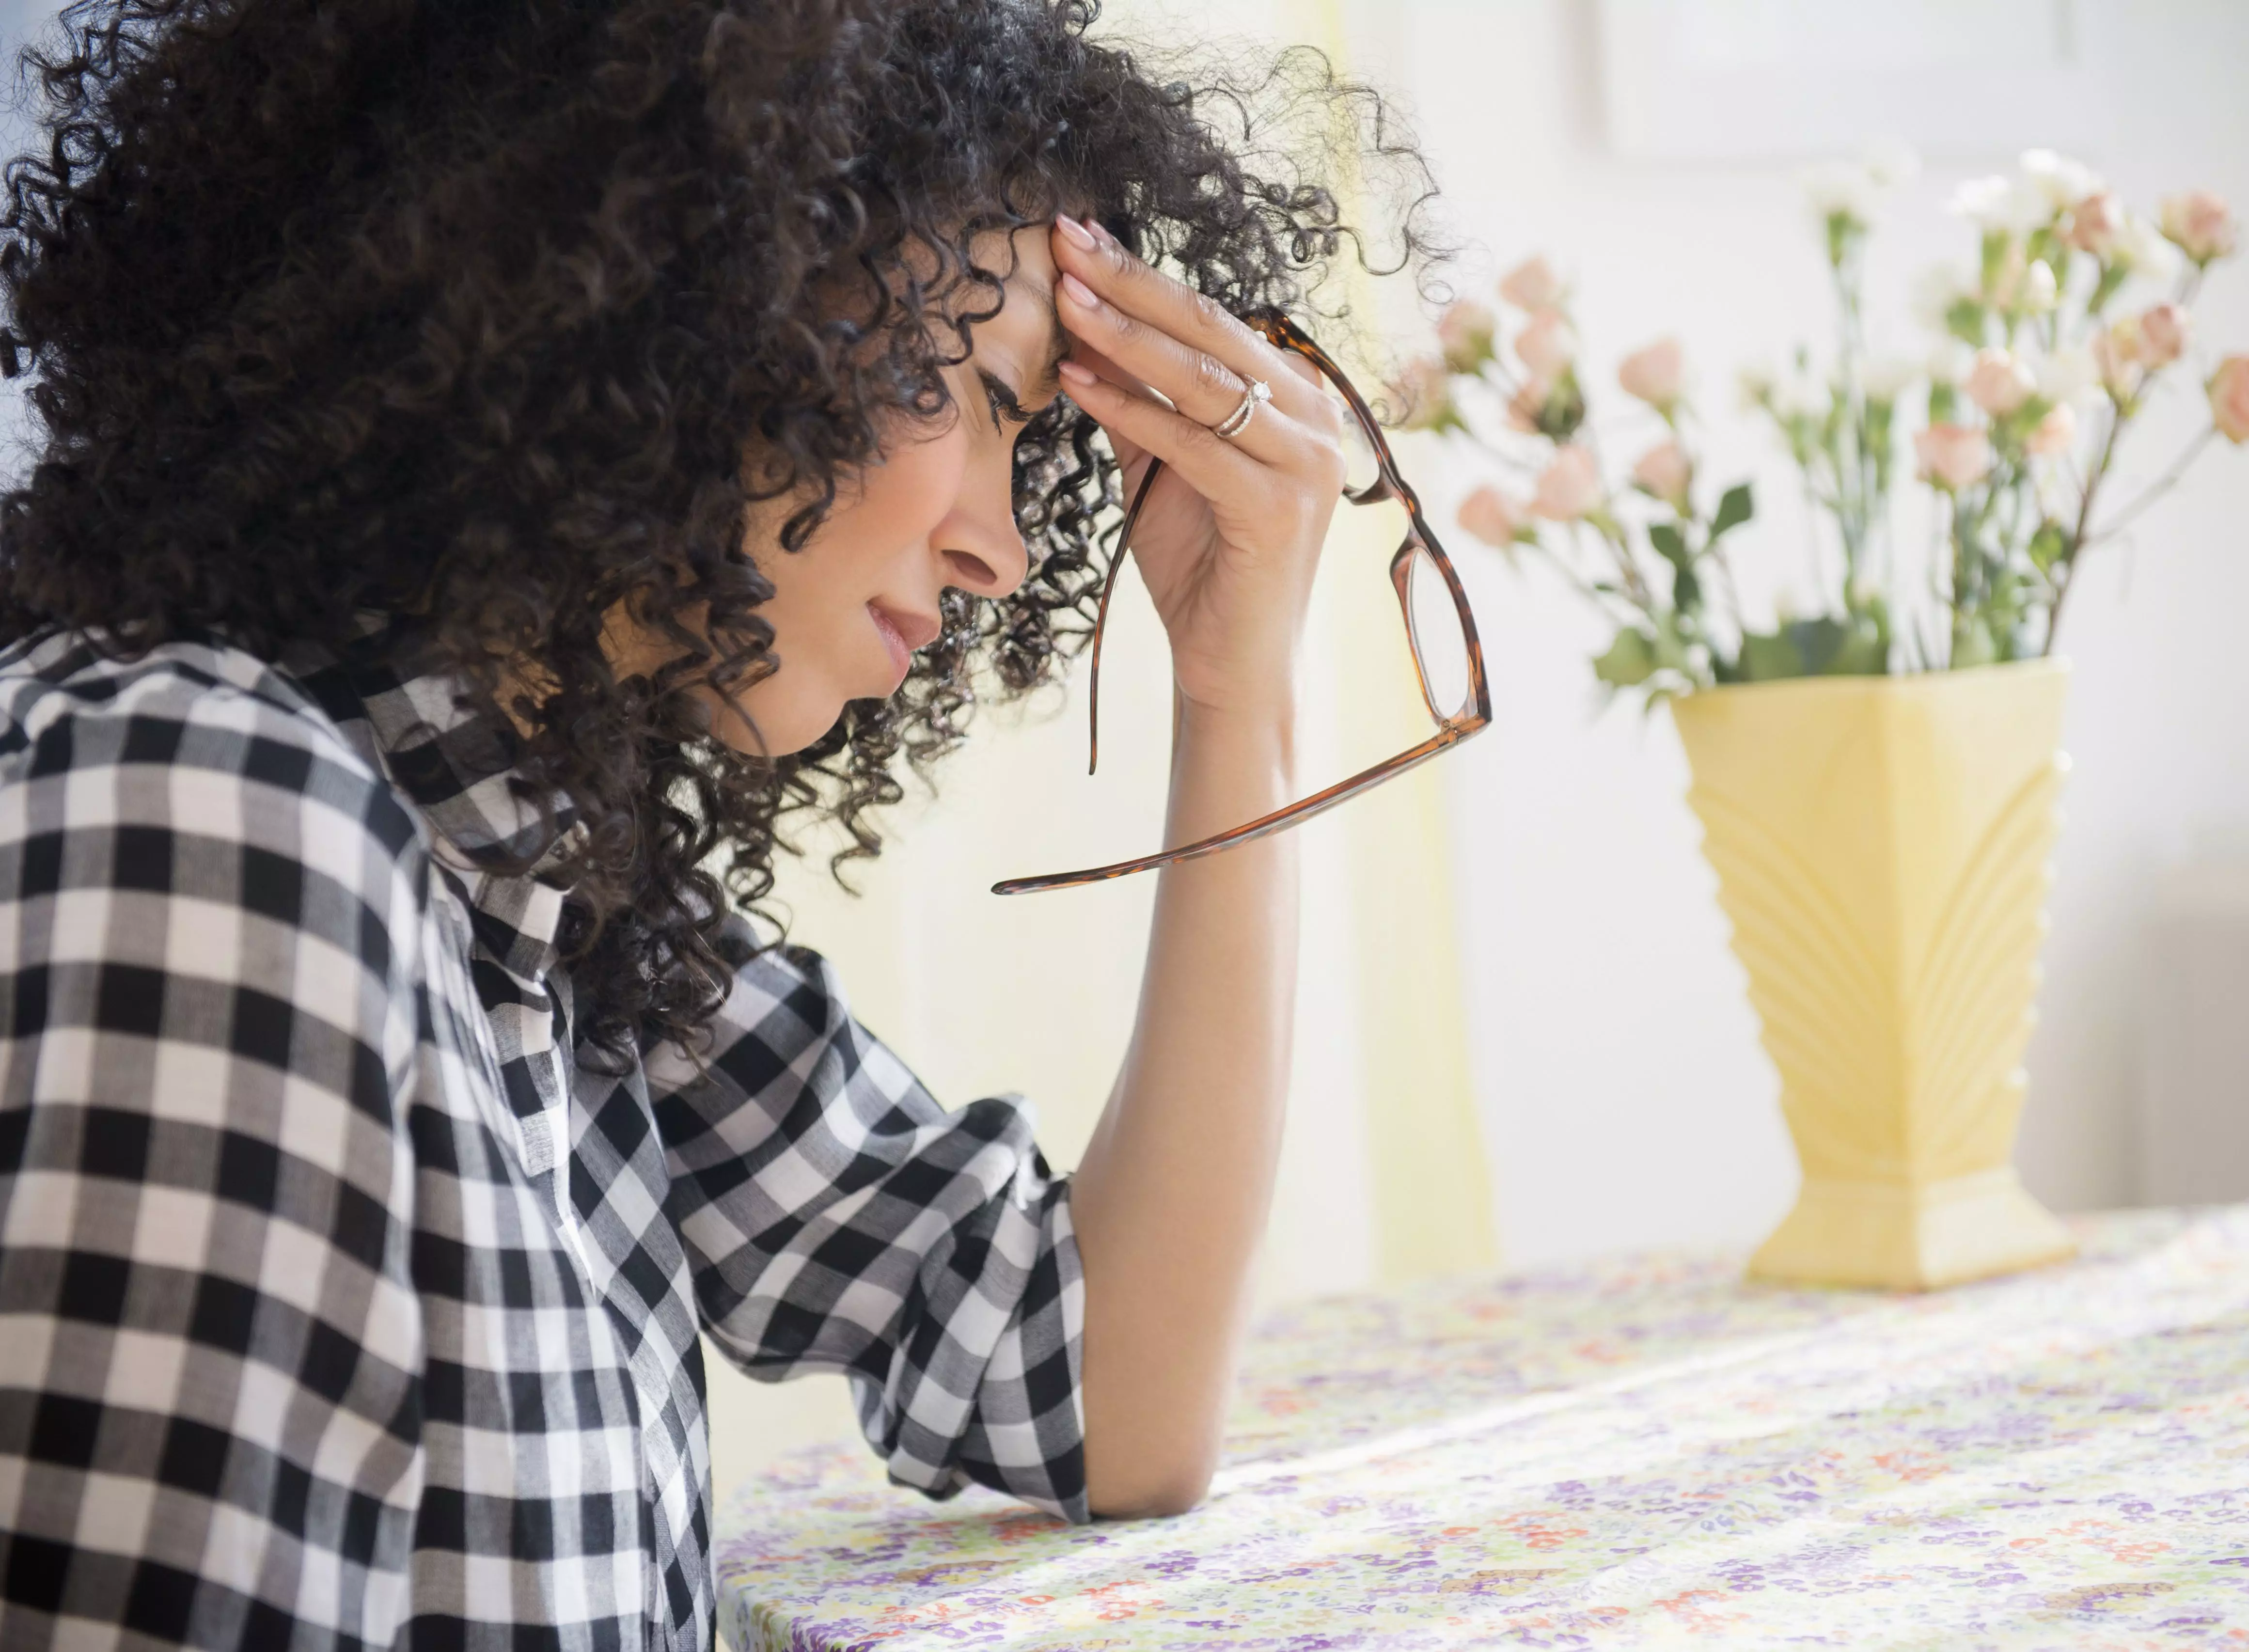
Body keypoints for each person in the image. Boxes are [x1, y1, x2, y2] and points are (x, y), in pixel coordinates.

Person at [0, 0, 1435, 1644]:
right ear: (673, 295)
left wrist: (1231, 698)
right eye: (963, 386)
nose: (1003, 553)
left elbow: (1106, 1390)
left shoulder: (553, 889)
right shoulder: (212, 828)